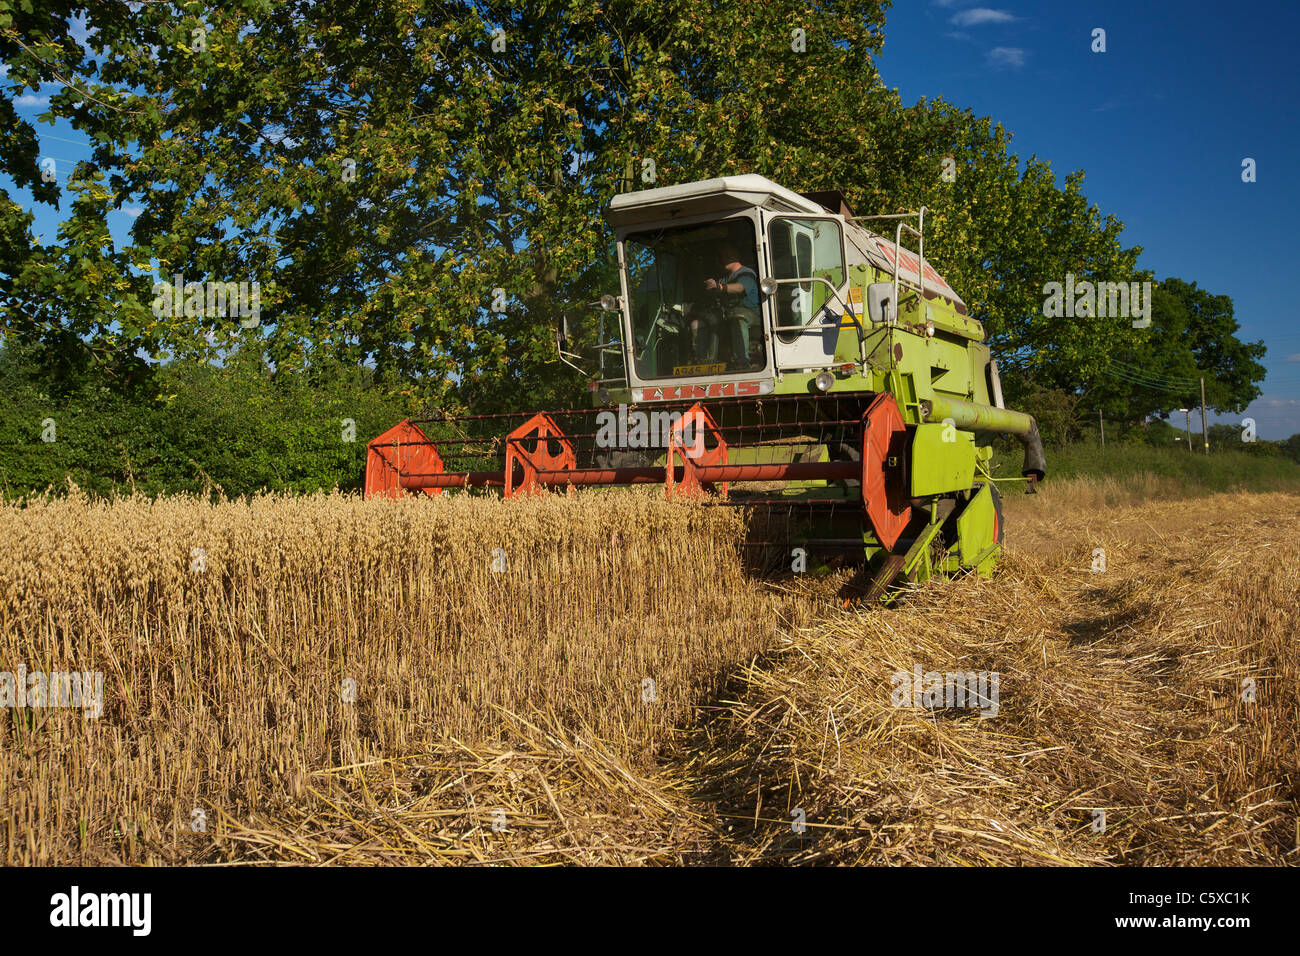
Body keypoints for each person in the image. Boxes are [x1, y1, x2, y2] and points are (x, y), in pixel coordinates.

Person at [697, 243, 760, 368]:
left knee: (738, 318)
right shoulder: (725, 278)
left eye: (727, 255)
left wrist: (720, 287)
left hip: (751, 312)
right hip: (728, 313)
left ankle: (742, 361)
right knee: (702, 321)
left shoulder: (746, 273)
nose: (723, 258)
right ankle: (704, 362)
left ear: (736, 256)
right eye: (722, 256)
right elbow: (715, 290)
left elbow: (740, 288)